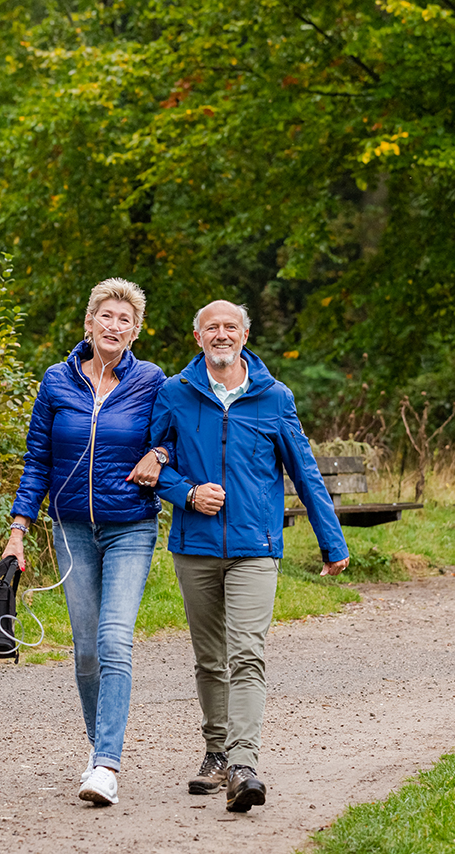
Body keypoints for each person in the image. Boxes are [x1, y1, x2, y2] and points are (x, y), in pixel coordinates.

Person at [132, 299, 349, 813]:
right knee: (209, 660)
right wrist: (186, 492)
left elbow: (305, 471)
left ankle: (244, 763)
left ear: (245, 335)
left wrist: (332, 541)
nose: (222, 334)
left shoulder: (276, 398)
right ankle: (215, 753)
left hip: (256, 547)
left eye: (231, 327)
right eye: (212, 328)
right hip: (195, 547)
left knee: (246, 654)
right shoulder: (174, 394)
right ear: (197, 338)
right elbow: (149, 464)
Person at [2, 278, 170, 807]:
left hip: (131, 527)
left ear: (135, 330)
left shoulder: (151, 380)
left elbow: (173, 434)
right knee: (86, 651)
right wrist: (17, 534)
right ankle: (101, 746)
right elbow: (36, 464)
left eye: (125, 320)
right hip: (71, 529)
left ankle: (105, 766)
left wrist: (160, 455)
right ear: (89, 323)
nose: (114, 326)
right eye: (106, 316)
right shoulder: (56, 381)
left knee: (114, 640)